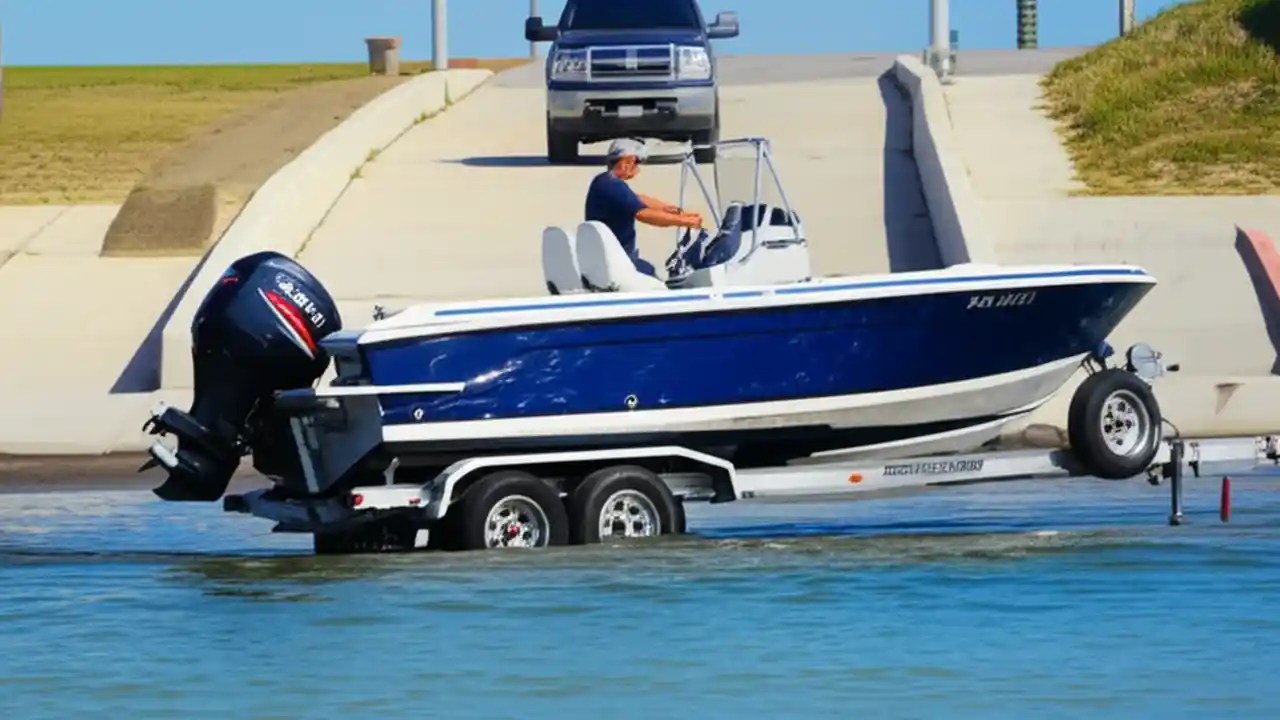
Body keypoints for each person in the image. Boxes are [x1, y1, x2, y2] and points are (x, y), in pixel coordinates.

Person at [584, 138, 703, 277]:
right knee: (655, 276)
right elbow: (643, 214)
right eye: (637, 163)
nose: (638, 169)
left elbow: (638, 199)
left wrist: (675, 211)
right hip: (621, 263)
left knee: (650, 270)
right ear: (627, 162)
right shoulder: (614, 185)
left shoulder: (603, 181)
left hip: (608, 259)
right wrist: (685, 222)